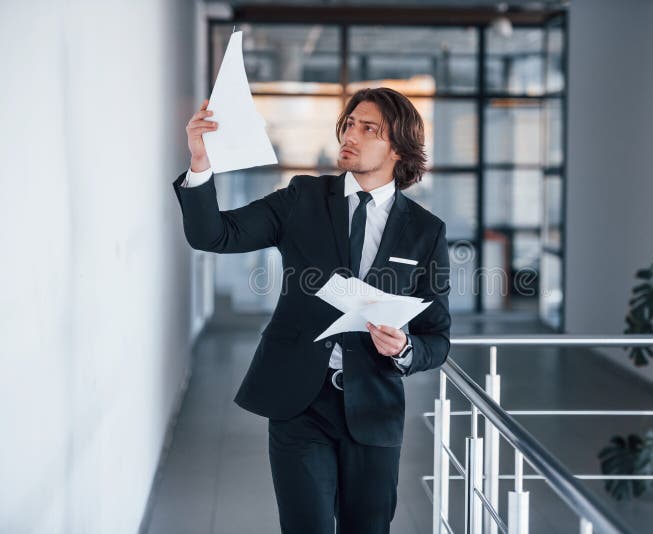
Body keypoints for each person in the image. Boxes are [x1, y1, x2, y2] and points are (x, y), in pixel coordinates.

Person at [172, 87, 451, 534]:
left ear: (398, 147)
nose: (350, 135)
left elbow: (437, 336)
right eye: (348, 124)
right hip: (301, 399)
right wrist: (200, 162)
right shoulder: (302, 197)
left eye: (368, 129)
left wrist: (404, 348)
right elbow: (214, 235)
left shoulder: (425, 232)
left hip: (374, 408)